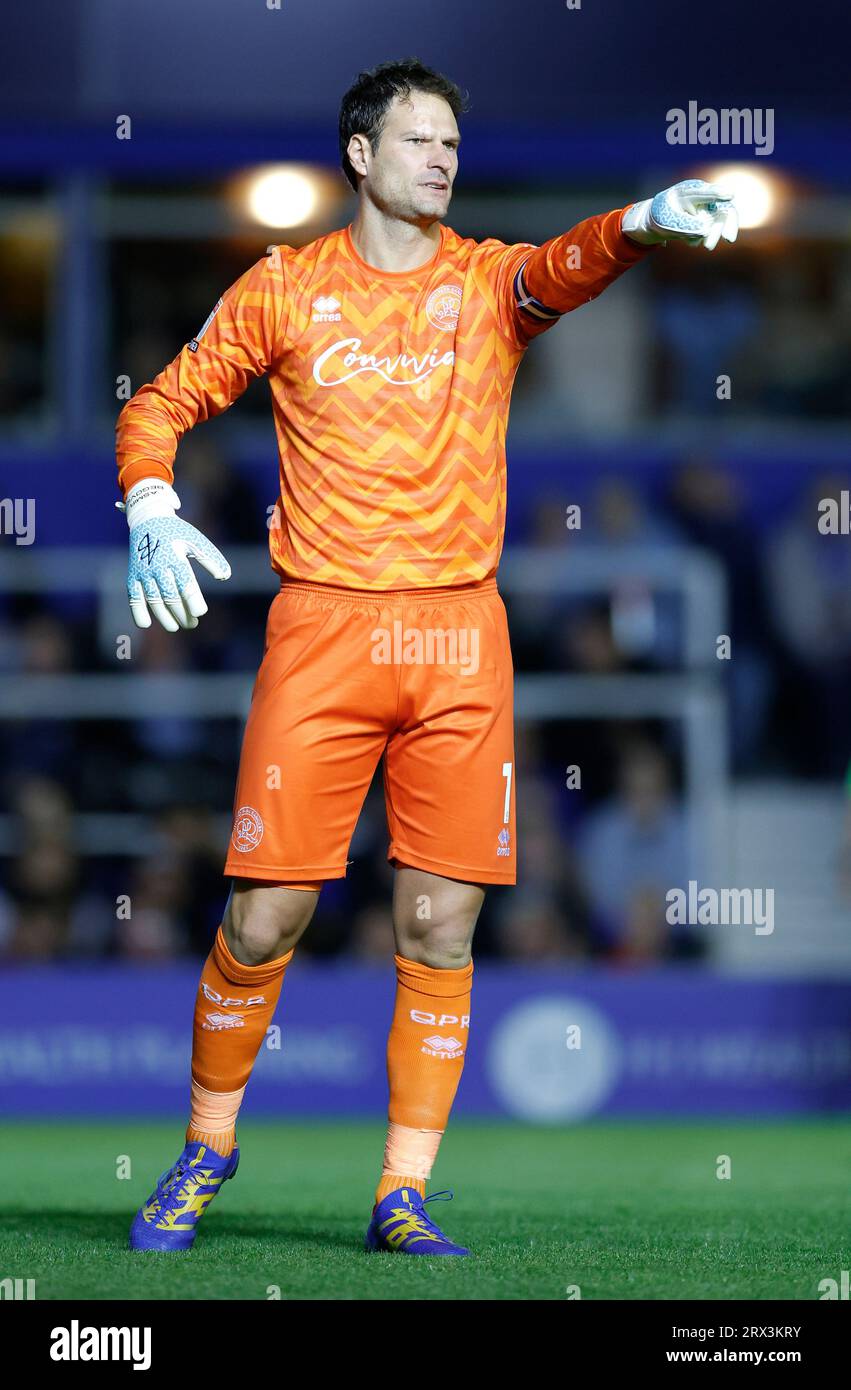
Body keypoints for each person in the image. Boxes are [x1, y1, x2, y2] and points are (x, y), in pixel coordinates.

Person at [116, 57, 738, 1257]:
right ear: (360, 155)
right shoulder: (284, 289)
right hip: (323, 627)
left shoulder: (487, 283)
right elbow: (162, 402)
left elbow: (567, 265)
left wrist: (641, 223)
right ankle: (205, 1147)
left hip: (459, 634)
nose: (443, 159)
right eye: (418, 140)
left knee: (441, 925)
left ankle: (400, 1193)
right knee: (263, 917)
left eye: (453, 141)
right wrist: (149, 500)